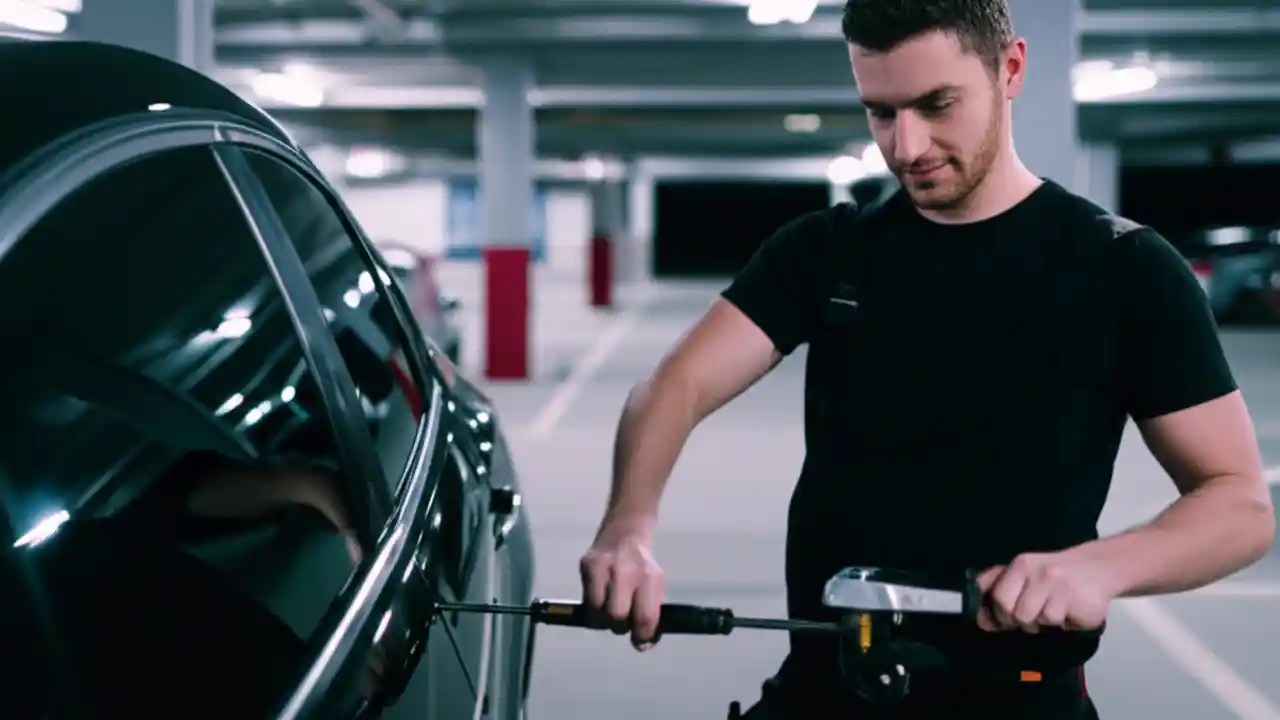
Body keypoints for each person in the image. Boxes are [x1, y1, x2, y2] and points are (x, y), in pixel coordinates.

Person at [577, 0, 1277, 717]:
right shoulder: (826, 252)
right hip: (827, 691)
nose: (906, 145)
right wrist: (627, 526)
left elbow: (1239, 506)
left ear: (1010, 69)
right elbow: (677, 384)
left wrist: (1102, 567)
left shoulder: (1123, 271)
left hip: (1018, 701)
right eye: (881, 112)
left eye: (936, 104)